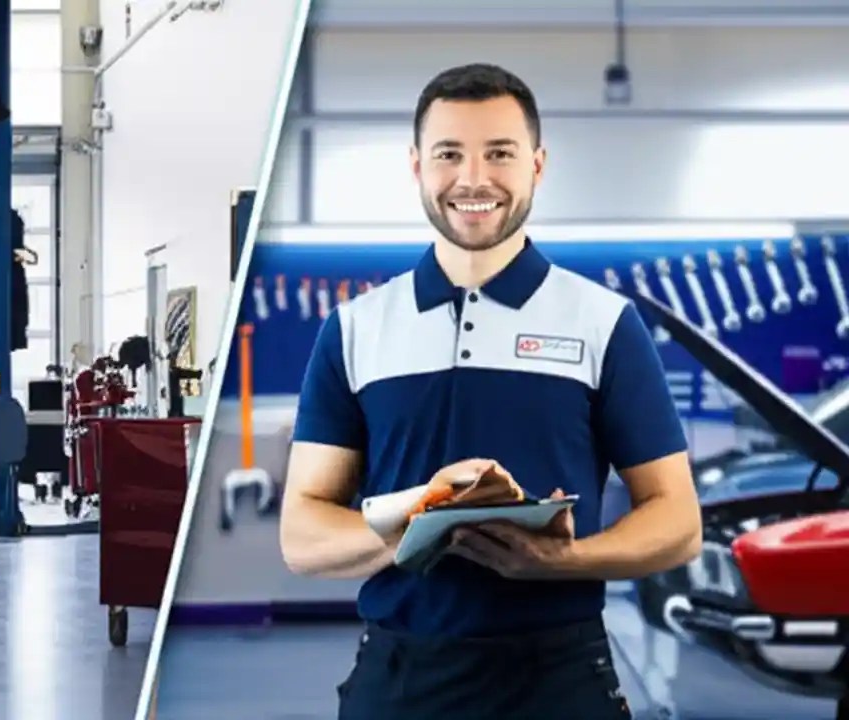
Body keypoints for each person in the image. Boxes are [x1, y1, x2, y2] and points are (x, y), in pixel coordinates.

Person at [278, 63, 703, 720]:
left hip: (559, 676)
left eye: (499, 153)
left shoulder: (604, 323)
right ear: (417, 166)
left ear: (537, 164)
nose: (473, 178)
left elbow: (678, 521)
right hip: (401, 678)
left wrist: (559, 561)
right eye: (449, 154)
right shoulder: (355, 330)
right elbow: (302, 535)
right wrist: (422, 517)